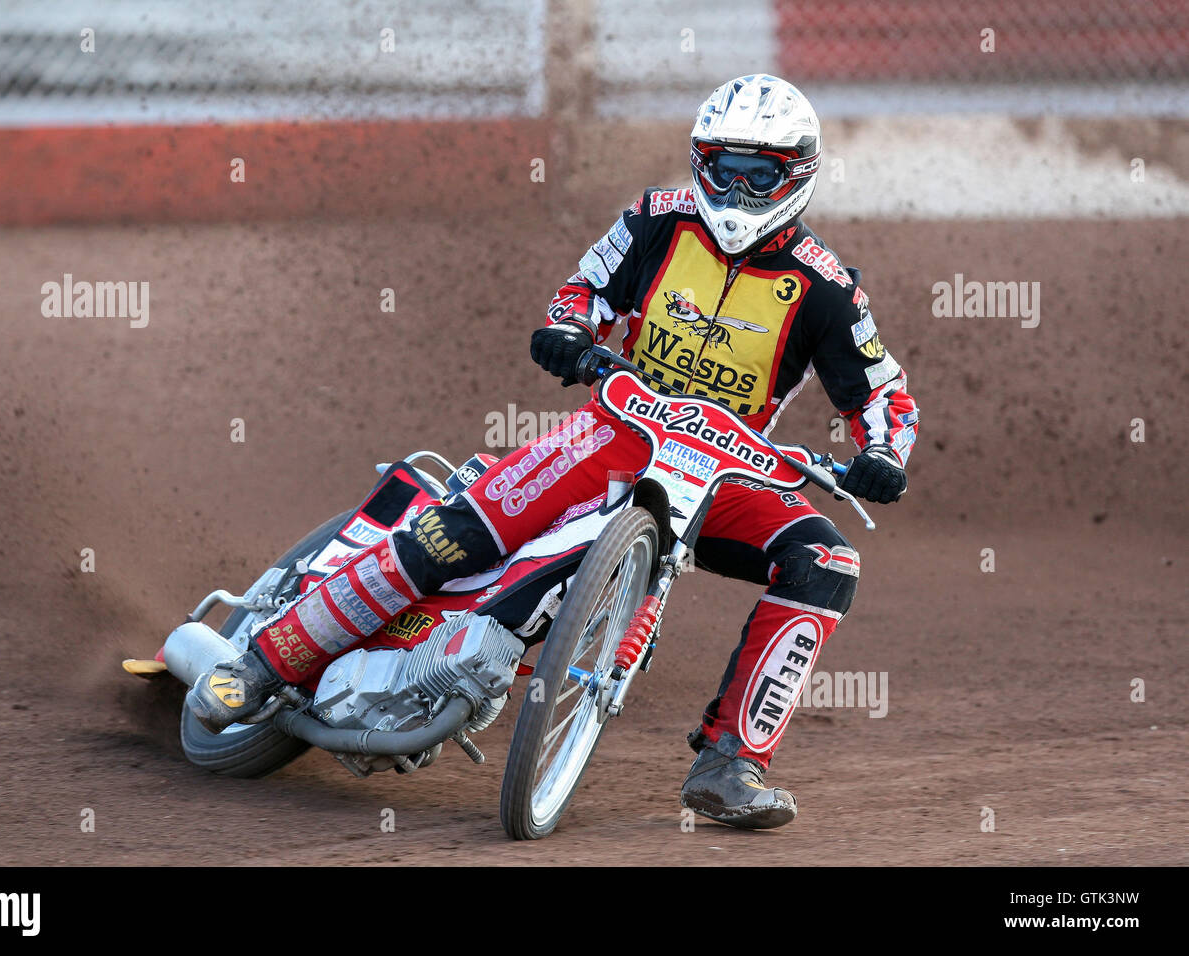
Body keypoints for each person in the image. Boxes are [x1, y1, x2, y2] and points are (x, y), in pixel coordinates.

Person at [188, 75, 918, 830]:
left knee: (826, 562)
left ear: (795, 175)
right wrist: (570, 334)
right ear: (698, 161)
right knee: (455, 533)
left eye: (758, 172)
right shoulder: (654, 220)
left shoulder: (827, 288)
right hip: (614, 433)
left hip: (726, 472)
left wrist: (885, 454)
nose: (735, 186)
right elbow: (582, 292)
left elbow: (882, 392)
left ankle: (731, 762)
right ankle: (262, 662)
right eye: (721, 165)